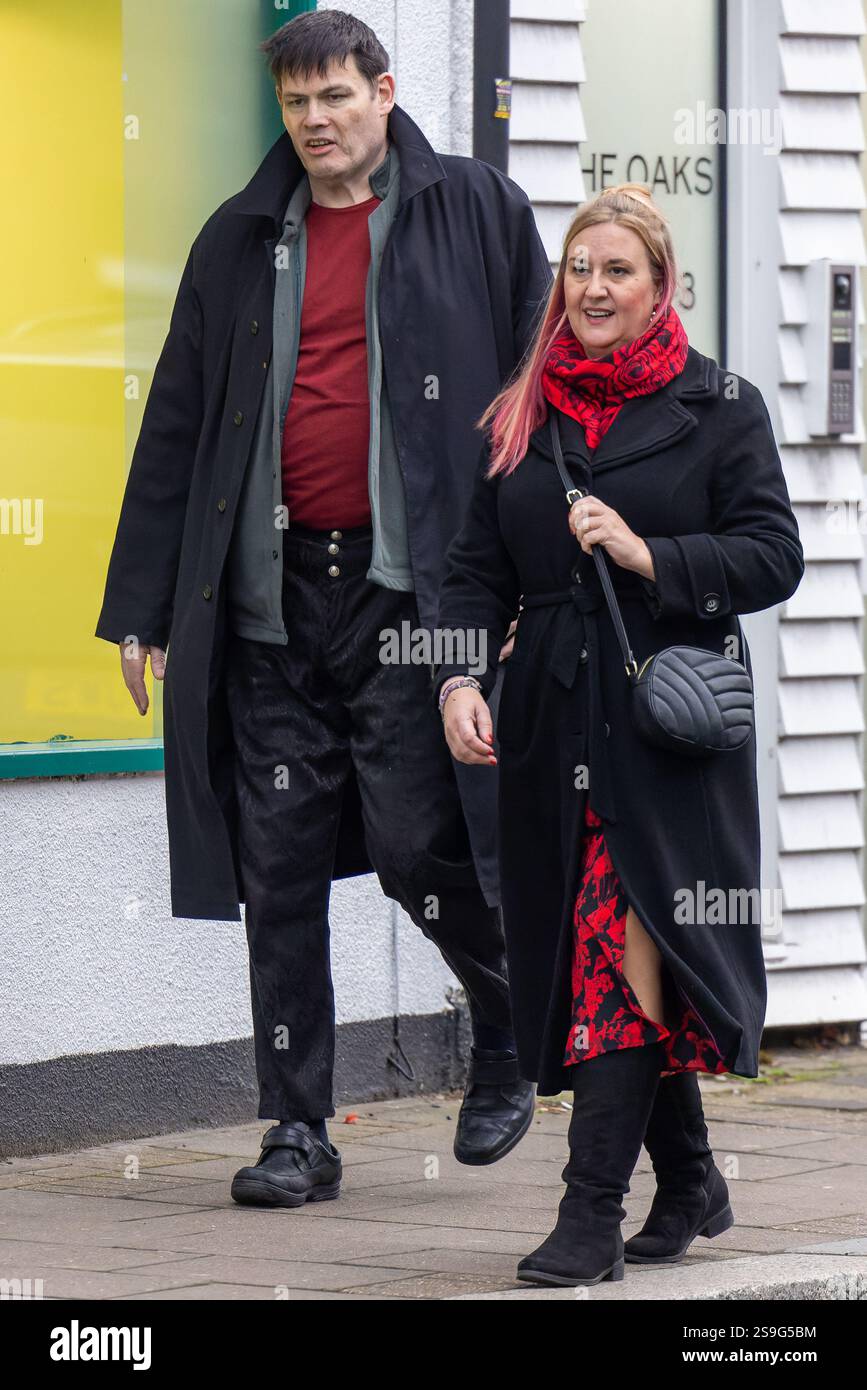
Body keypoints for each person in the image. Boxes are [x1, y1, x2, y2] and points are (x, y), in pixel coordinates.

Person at [95, 10, 552, 1205]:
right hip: (274, 596)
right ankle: (297, 1128)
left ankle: (506, 1031)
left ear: (385, 93)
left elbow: (533, 405)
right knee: (279, 865)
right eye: (296, 102)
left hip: (423, 595)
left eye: (335, 96)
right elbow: (179, 423)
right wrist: (143, 601)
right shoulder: (241, 237)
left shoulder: (478, 214)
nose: (314, 120)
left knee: (420, 845)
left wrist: (527, 584)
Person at [435, 183, 805, 1287]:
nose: (593, 289)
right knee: (601, 951)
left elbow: (774, 555)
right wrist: (459, 673)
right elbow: (469, 569)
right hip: (551, 727)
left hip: (666, 730)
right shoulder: (521, 414)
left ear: (661, 286)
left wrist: (652, 556)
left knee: (622, 947)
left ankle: (588, 1212)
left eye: (618, 271)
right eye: (579, 270)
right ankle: (689, 1178)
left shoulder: (720, 404)